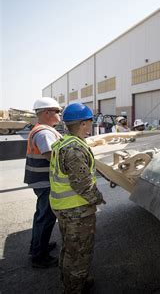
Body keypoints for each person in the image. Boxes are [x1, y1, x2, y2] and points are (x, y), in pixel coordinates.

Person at [49, 103, 105, 293]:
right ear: (82, 124)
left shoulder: (64, 142)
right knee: (79, 253)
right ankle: (74, 288)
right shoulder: (74, 149)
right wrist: (98, 198)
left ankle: (70, 281)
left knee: (70, 249)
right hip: (76, 211)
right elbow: (82, 185)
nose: (91, 125)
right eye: (90, 122)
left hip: (64, 207)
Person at [24, 97, 62, 268]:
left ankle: (37, 246)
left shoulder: (41, 129)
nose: (60, 114)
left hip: (39, 181)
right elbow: (51, 156)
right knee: (46, 217)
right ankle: (40, 257)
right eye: (57, 111)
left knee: (41, 216)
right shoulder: (45, 133)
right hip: (45, 182)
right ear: (47, 113)